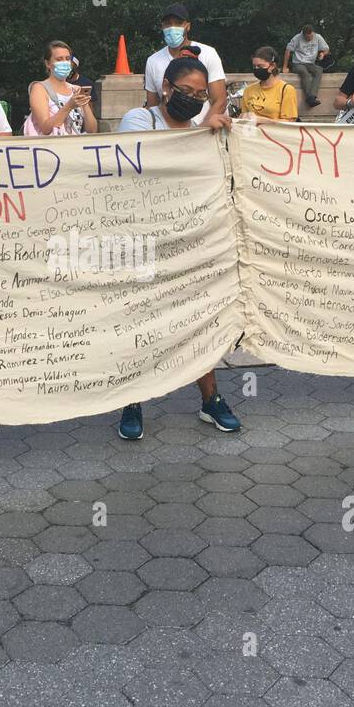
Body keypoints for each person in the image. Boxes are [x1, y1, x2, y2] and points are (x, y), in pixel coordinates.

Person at [115, 57, 239, 440]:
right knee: (142, 321)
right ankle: (133, 401)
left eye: (202, 95)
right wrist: (203, 131)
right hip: (143, 241)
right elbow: (149, 160)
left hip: (190, 241)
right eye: (187, 92)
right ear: (166, 87)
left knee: (197, 320)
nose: (195, 100)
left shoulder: (201, 128)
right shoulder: (140, 120)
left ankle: (211, 400)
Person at [143, 3, 227, 125]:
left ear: (187, 26)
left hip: (204, 131)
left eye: (178, 23)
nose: (172, 27)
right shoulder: (153, 61)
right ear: (162, 27)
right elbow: (152, 105)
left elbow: (219, 100)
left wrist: (201, 130)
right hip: (168, 135)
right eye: (167, 23)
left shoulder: (208, 54)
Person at [25, 40, 98, 136]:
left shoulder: (75, 89)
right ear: (48, 64)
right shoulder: (39, 88)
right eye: (59, 59)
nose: (65, 62)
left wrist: (84, 104)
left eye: (67, 59)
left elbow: (92, 130)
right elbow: (45, 128)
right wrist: (69, 106)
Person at [241, 46, 298, 121]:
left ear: (272, 66)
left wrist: (260, 120)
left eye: (260, 66)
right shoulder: (248, 90)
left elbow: (289, 121)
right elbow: (243, 116)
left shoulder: (286, 90)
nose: (256, 69)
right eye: (254, 66)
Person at [283, 24, 331, 108]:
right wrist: (285, 66)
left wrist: (322, 53)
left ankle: (311, 96)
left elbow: (326, 49)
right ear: (303, 35)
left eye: (311, 36)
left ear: (313, 33)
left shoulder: (318, 37)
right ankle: (310, 97)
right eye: (307, 38)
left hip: (310, 63)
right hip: (298, 63)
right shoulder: (297, 38)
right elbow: (288, 50)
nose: (309, 39)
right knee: (303, 72)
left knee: (319, 70)